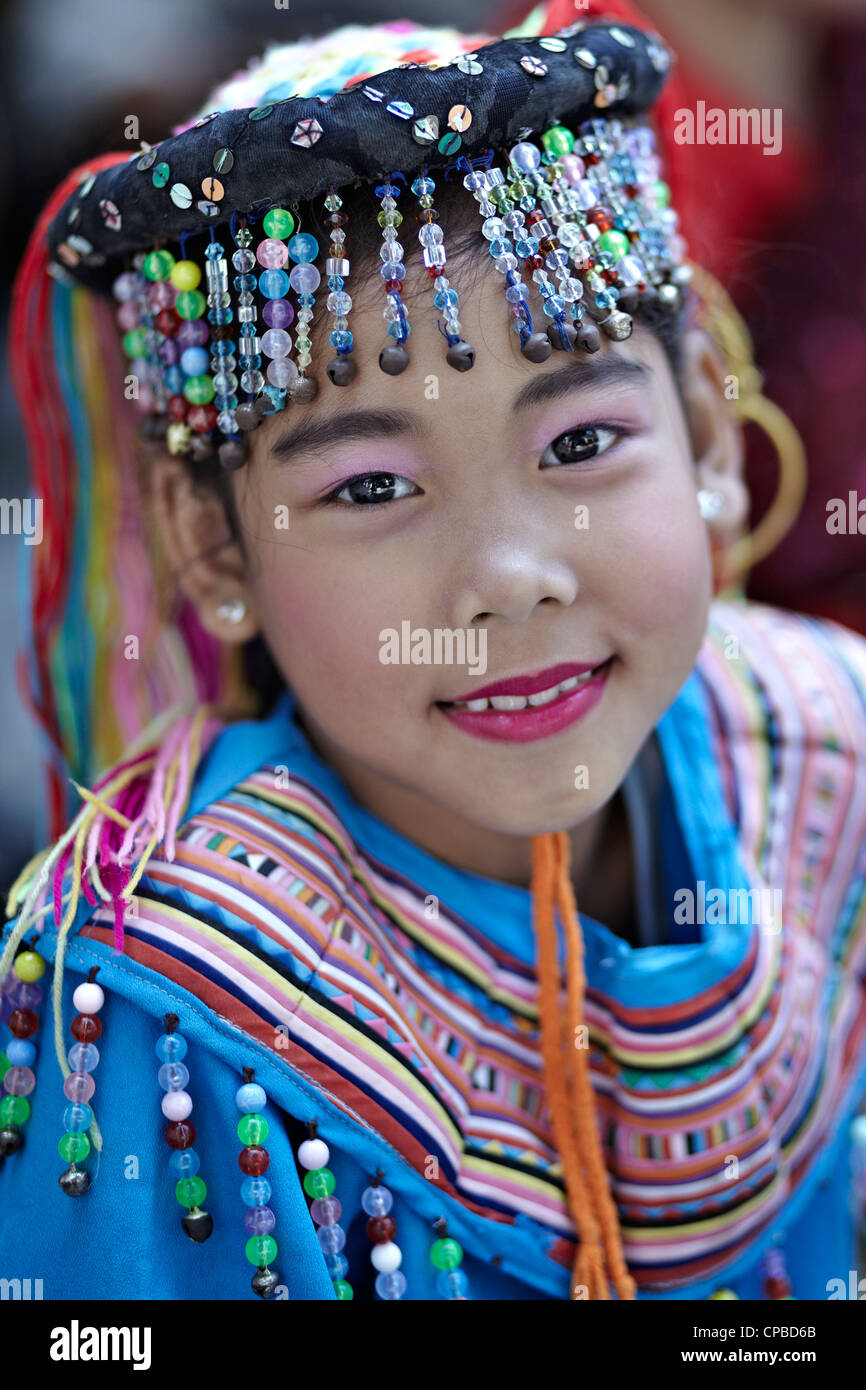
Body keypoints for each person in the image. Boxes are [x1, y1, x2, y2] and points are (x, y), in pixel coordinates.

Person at [1, 10, 865, 1303]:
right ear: (215, 548)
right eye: (368, 487)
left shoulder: (832, 747)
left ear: (706, 446)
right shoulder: (157, 995)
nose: (510, 574)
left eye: (577, 447)